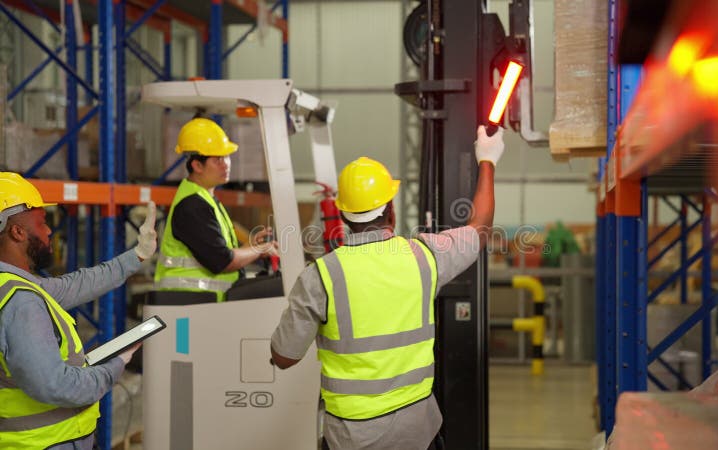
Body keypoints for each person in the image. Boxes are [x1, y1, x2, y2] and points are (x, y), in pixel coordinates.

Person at [270, 126, 505, 449]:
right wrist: (487, 159)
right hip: (417, 433)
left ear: (341, 214)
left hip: (353, 438)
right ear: (391, 209)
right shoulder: (424, 257)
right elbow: (479, 228)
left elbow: (284, 356)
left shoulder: (320, 276)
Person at [0, 172, 157, 449]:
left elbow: (78, 283)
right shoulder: (19, 301)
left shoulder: (15, 286)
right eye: (43, 222)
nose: (49, 231)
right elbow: (54, 385)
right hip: (46, 443)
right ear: (17, 232)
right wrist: (114, 366)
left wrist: (138, 255)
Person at [154, 118, 276, 302]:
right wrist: (260, 249)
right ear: (197, 165)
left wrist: (250, 247)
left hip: (201, 306)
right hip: (187, 310)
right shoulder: (192, 205)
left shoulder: (206, 199)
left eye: (226, 156)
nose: (226, 164)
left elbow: (218, 253)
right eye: (218, 159)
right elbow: (223, 262)